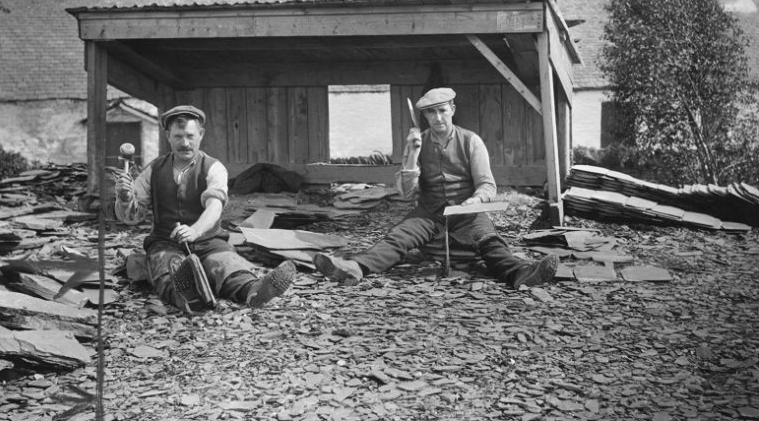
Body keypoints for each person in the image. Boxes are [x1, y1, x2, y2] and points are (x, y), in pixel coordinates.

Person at [314, 87, 559, 289]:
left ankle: (520, 274)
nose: (438, 117)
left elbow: (487, 184)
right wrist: (413, 154)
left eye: (442, 110)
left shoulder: (471, 141)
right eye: (431, 112)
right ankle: (355, 268)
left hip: (467, 213)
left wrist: (476, 200)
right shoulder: (417, 142)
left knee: (490, 242)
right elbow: (406, 192)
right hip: (429, 213)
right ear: (425, 116)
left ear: (452, 110)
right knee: (398, 237)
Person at [115, 105, 296, 313]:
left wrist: (196, 230)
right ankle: (185, 296)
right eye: (178, 136)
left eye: (190, 136)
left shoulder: (214, 168)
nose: (184, 143)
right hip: (166, 241)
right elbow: (131, 218)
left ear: (201, 134)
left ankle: (254, 292)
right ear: (167, 136)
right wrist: (125, 198)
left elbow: (214, 206)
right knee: (166, 266)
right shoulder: (153, 170)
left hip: (209, 241)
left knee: (227, 264)